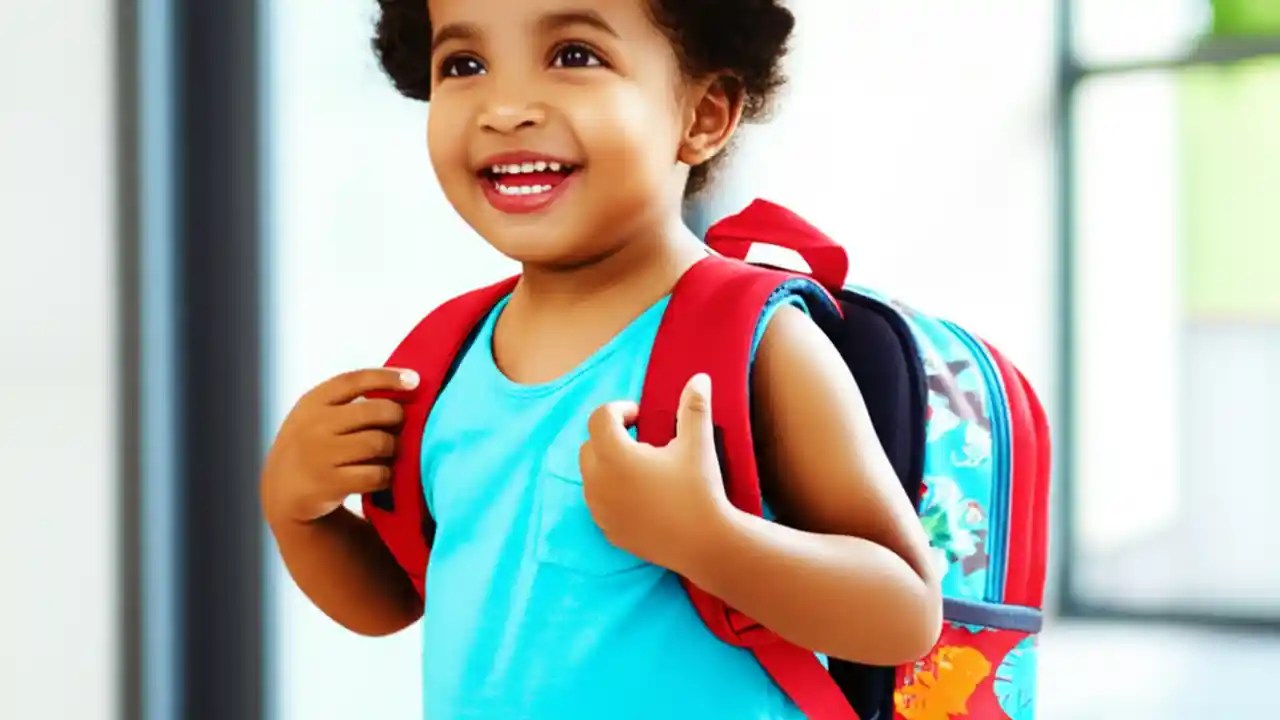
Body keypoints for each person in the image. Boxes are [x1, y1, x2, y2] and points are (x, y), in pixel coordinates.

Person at [259, 0, 942, 717]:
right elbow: (393, 602)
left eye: (574, 56)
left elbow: (903, 615)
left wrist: (712, 542)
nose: (507, 108)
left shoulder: (752, 340)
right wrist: (303, 515)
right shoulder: (443, 357)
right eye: (464, 65)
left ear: (703, 116)